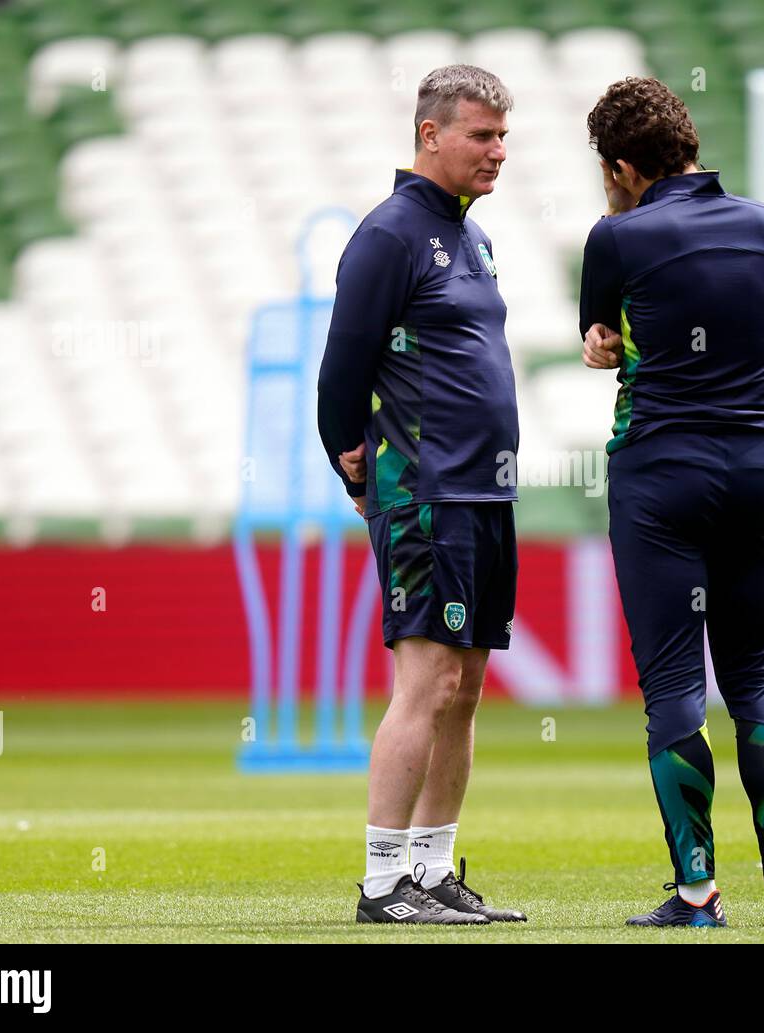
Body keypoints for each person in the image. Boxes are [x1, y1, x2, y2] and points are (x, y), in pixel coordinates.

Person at [579, 77, 764, 928]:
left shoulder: (617, 235)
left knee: (675, 686)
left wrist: (615, 344)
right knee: (757, 675)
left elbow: (603, 340)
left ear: (621, 166)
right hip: (754, 469)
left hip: (659, 476)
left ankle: (696, 891)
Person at [317, 64, 526, 925]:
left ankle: (433, 868)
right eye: (482, 135)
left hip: (484, 492)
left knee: (466, 685)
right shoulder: (389, 235)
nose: (498, 152)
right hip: (427, 492)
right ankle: (379, 882)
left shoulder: (470, 237)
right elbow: (342, 370)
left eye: (503, 136)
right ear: (430, 135)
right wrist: (351, 459)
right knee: (427, 682)